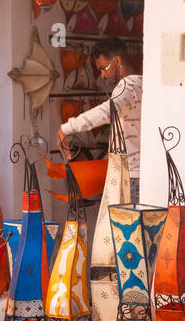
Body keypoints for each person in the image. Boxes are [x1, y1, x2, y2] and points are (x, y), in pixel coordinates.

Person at [57, 40, 143, 203]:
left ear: (117, 61)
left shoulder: (127, 87)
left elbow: (106, 111)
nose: (103, 75)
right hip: (139, 172)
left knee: (128, 226)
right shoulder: (142, 84)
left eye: (104, 68)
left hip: (131, 175)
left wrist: (67, 128)